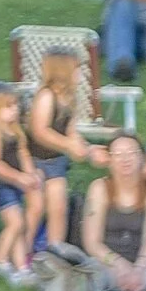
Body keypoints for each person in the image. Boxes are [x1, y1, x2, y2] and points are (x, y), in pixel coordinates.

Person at [82, 130, 146, 291]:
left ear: (141, 157)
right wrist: (120, 265)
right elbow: (92, 242)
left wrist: (139, 268)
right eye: (118, 154)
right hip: (110, 260)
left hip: (144, 260)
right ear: (110, 160)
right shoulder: (99, 188)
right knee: (98, 271)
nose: (125, 159)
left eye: (131, 153)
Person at [0, 82, 48, 288]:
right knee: (15, 223)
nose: (14, 110)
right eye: (8, 107)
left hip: (14, 182)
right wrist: (18, 178)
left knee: (21, 221)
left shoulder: (15, 131)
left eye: (15, 105)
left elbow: (23, 154)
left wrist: (30, 173)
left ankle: (22, 267)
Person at [24, 45, 95, 212]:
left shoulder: (69, 98)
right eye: (77, 69)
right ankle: (27, 238)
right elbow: (40, 132)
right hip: (34, 161)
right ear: (62, 72)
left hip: (56, 161)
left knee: (59, 202)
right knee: (37, 206)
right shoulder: (46, 96)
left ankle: (56, 239)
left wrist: (87, 148)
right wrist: (68, 145)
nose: (81, 74)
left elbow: (71, 132)